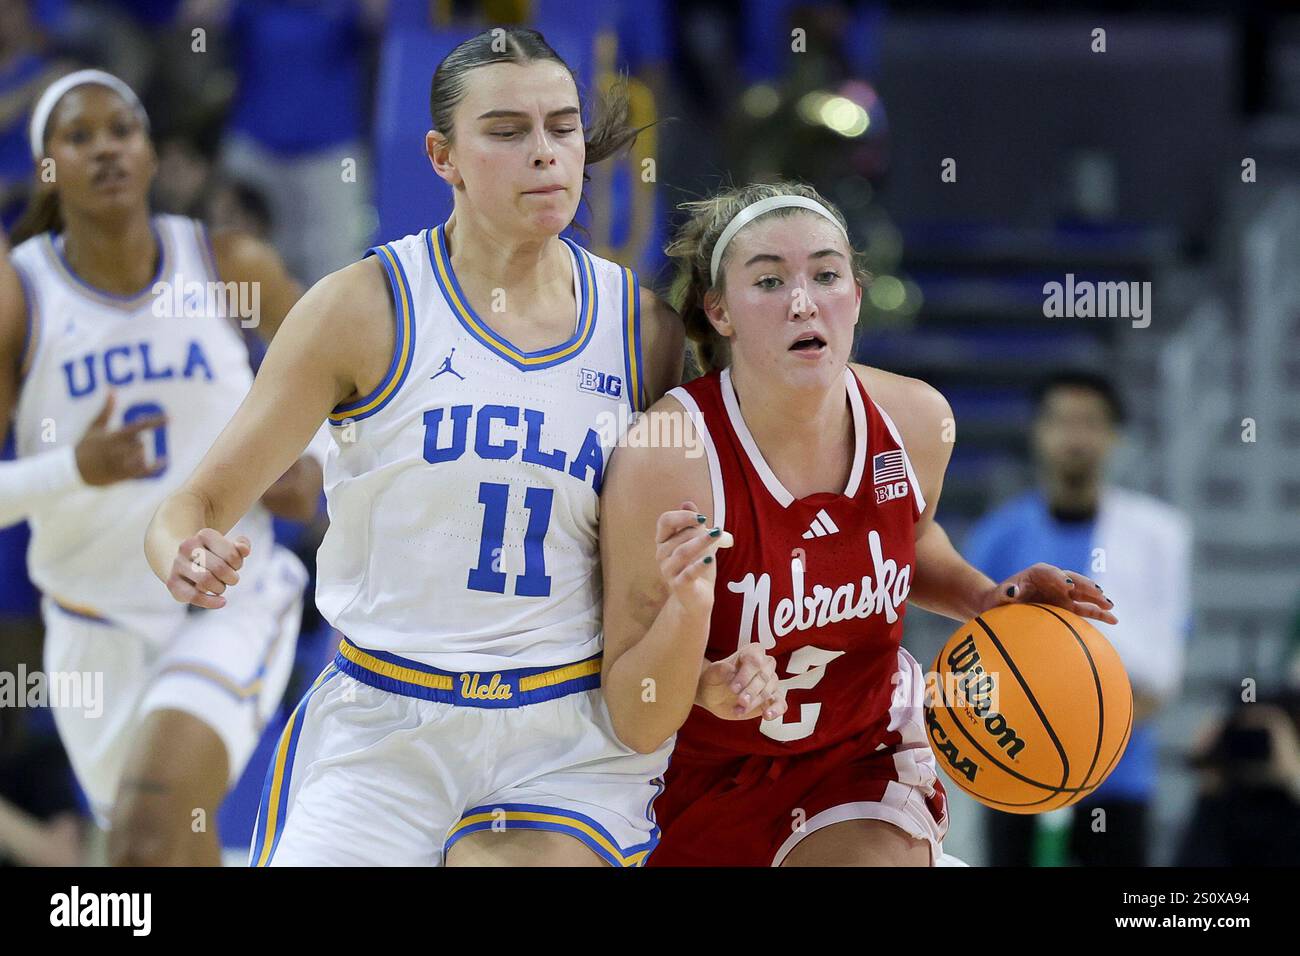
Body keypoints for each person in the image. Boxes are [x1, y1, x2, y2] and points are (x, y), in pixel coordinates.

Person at [145, 27, 684, 867]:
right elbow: (196, 504)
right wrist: (183, 551)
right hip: (383, 723)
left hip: (564, 738)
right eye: (507, 131)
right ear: (444, 156)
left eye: (563, 126)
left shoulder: (641, 328)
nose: (546, 153)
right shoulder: (361, 308)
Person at [598, 181, 1118, 867]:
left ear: (857, 295)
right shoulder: (669, 458)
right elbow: (632, 712)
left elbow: (912, 536)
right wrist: (700, 682)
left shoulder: (915, 420)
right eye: (769, 281)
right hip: (692, 780)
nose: (803, 300)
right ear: (719, 311)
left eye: (825, 274)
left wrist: (985, 600)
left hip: (860, 757)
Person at [0, 70, 321, 865]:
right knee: (163, 850)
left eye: (123, 130)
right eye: (79, 137)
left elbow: (352, 376)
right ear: (48, 168)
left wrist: (310, 461)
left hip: (225, 603)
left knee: (148, 837)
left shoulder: (223, 264)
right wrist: (75, 468)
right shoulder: (22, 296)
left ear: (150, 152)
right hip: (90, 629)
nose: (106, 148)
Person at [963, 370, 1191, 866]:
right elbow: (972, 663)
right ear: (1038, 433)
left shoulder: (1157, 538)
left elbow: (1163, 673)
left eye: (1090, 422)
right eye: (1062, 421)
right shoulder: (996, 538)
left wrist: (1084, 730)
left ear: (1115, 437)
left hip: (1119, 774)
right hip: (1014, 762)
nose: (1075, 437)